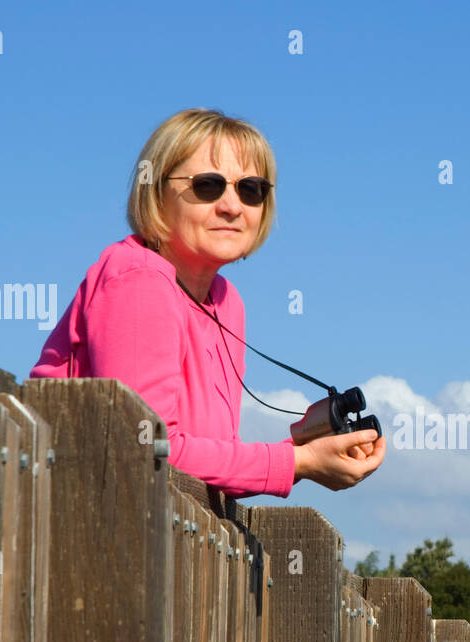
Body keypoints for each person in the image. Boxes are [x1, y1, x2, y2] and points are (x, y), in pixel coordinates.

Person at [28, 107, 384, 496]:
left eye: (250, 189)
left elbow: (201, 465)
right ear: (157, 191)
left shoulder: (228, 302)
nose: (232, 206)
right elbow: (147, 449)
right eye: (208, 185)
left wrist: (304, 453)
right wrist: (299, 462)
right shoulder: (140, 279)